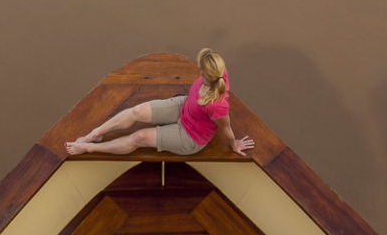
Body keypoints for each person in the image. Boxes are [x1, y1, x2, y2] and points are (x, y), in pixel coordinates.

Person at [64, 48, 254, 157]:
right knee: (136, 112)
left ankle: (89, 148)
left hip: (190, 136)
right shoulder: (220, 72)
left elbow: (226, 128)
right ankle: (94, 135)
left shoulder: (217, 104)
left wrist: (234, 143)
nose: (198, 70)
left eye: (200, 69)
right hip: (184, 107)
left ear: (204, 74)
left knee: (138, 138)